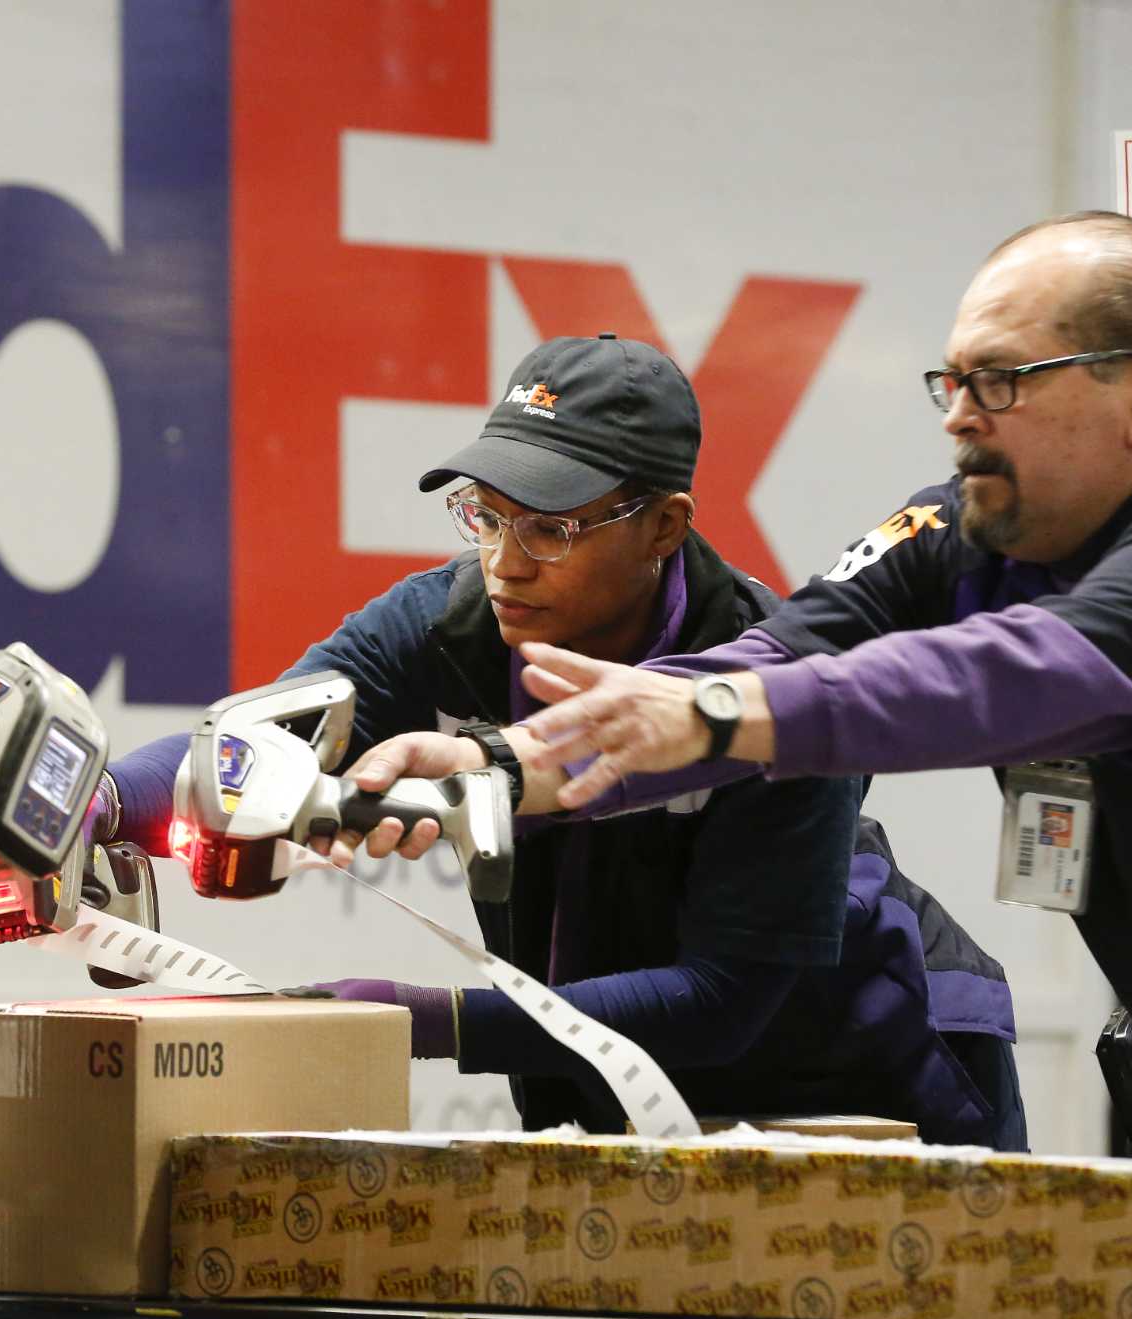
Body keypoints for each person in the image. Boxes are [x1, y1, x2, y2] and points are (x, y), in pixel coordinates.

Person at [419, 211, 1132, 1076]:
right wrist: (492, 768)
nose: (960, 415)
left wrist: (717, 711)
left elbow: (1029, 670)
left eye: (1000, 379)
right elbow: (778, 656)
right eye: (951, 382)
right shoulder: (963, 526)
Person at [101, 334, 1023, 1148]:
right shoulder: (441, 627)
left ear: (664, 525)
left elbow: (722, 1004)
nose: (504, 562)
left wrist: (423, 1018)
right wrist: (92, 800)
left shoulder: (767, 686)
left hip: (868, 1082)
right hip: (620, 1094)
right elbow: (253, 744)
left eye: (551, 529)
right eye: (487, 516)